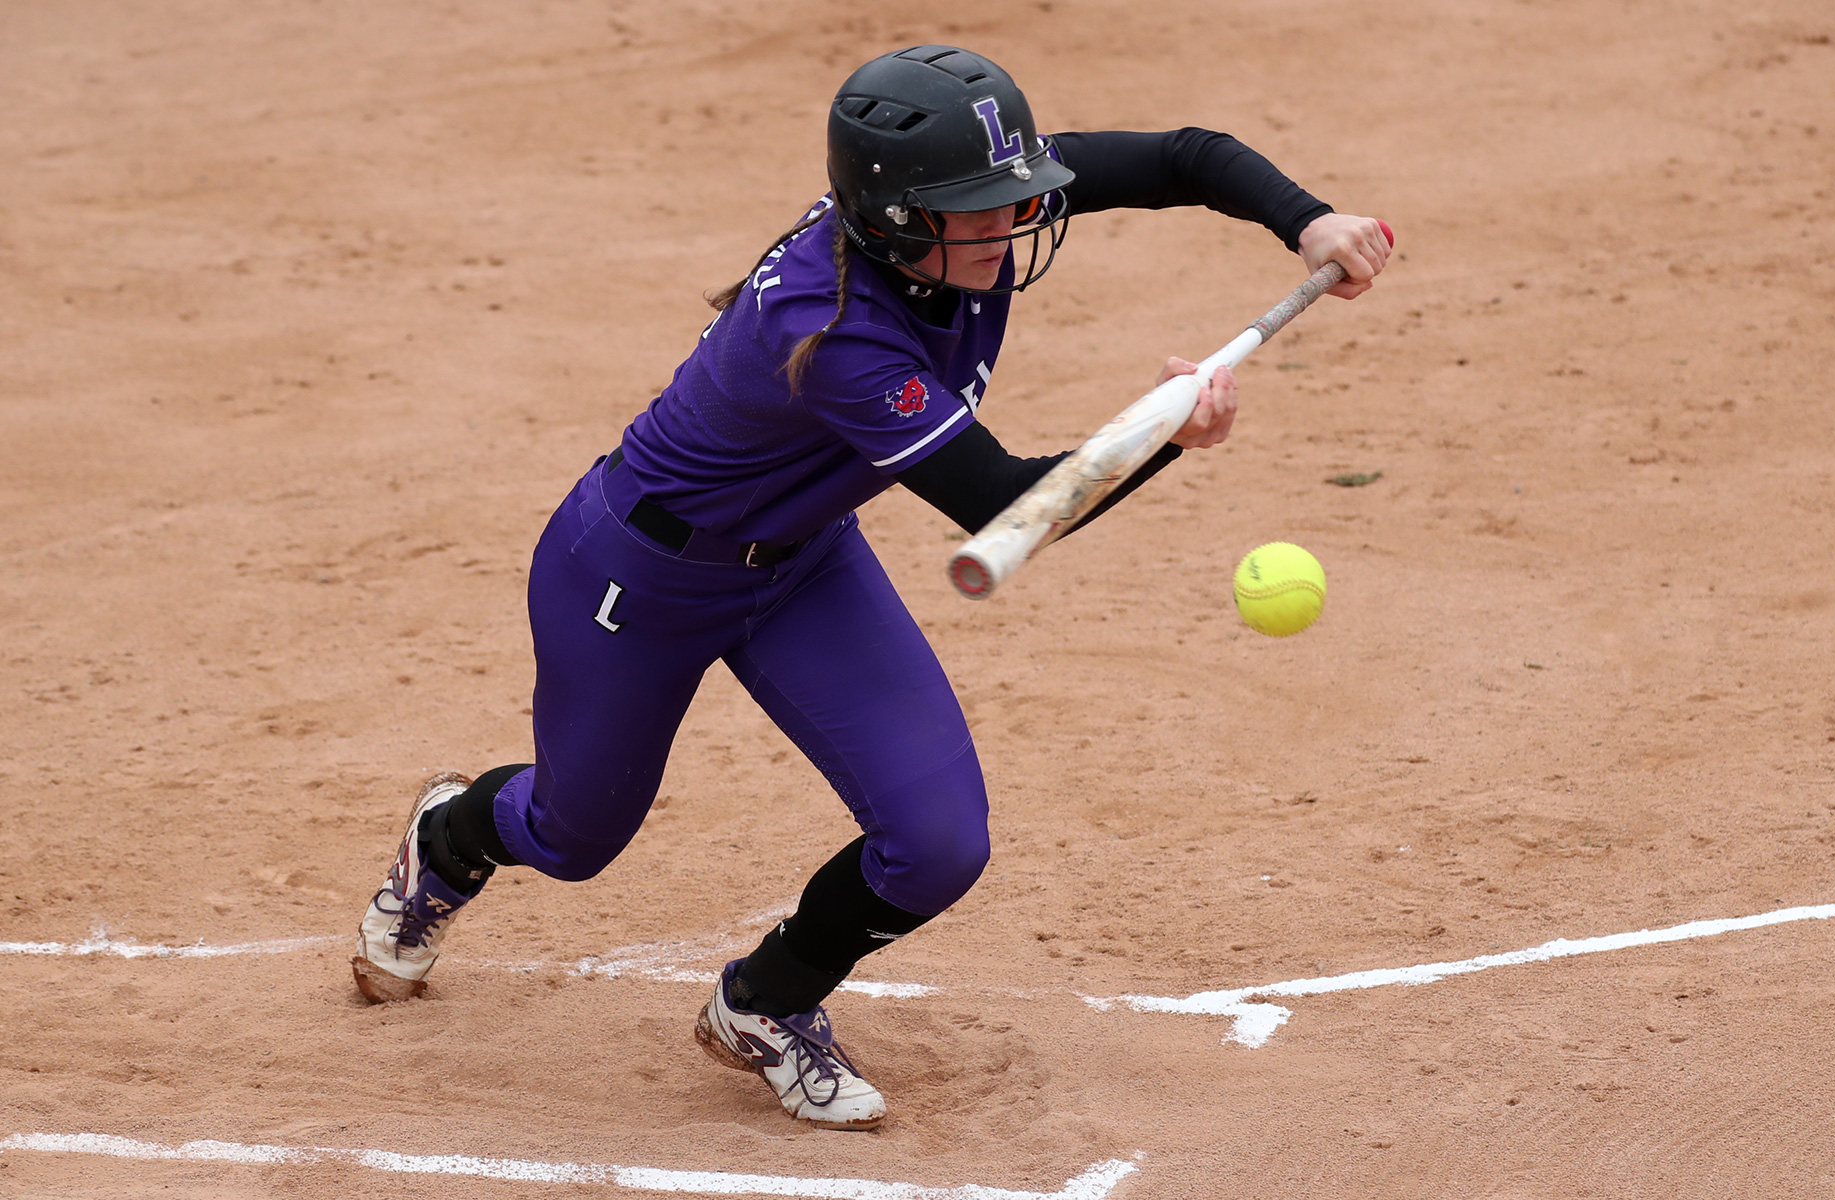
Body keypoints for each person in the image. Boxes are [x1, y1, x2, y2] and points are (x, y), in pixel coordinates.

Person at [352, 45, 1391, 1130]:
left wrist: (1305, 219)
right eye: (982, 213)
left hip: (802, 566)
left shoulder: (951, 211)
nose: (1013, 224)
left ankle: (766, 1004)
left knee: (939, 841)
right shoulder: (835, 329)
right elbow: (1003, 503)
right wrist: (1172, 431)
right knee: (573, 839)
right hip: (637, 574)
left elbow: (1186, 155)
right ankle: (449, 840)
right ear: (897, 219)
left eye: (1014, 198)